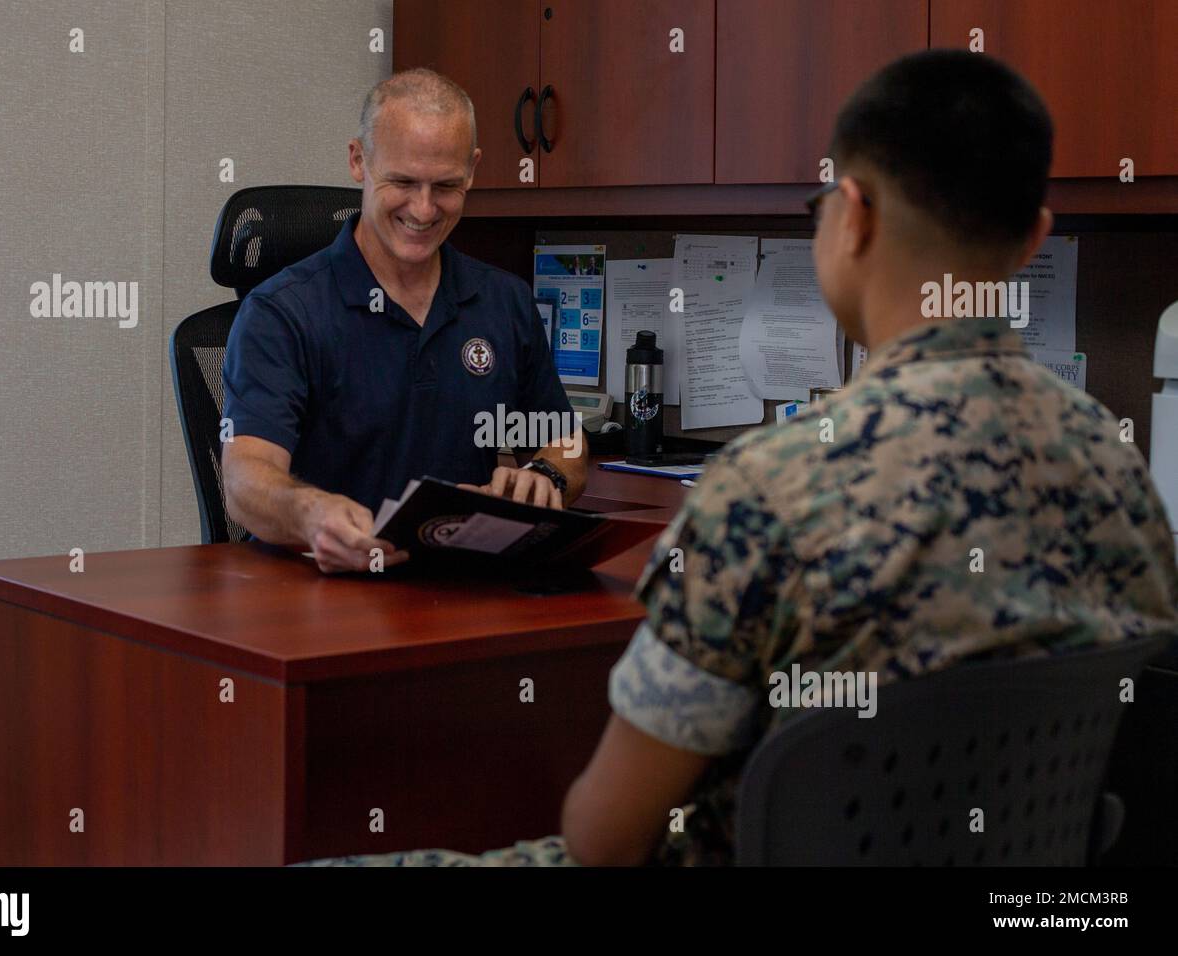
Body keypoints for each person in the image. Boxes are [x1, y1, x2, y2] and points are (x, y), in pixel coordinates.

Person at [303, 50, 1178, 866]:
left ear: (855, 215)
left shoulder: (772, 487)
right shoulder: (1121, 471)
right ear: (1034, 238)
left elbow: (603, 836)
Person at [221, 69, 587, 574]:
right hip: (326, 599)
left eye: (446, 186)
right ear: (358, 161)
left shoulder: (505, 302)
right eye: (403, 182)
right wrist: (309, 513)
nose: (423, 208)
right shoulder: (282, 313)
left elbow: (563, 439)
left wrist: (546, 474)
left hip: (462, 591)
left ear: (473, 171)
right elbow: (246, 478)